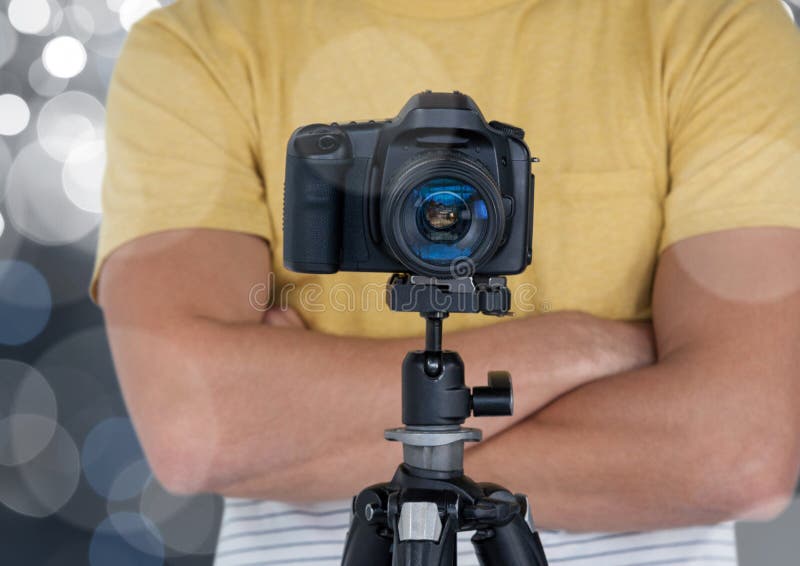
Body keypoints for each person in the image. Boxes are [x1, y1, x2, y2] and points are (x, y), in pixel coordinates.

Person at [92, 0, 800, 564]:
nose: (441, 213)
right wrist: (587, 347)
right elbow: (197, 428)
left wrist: (295, 421)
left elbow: (742, 453)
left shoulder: (716, 23)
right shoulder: (201, 41)